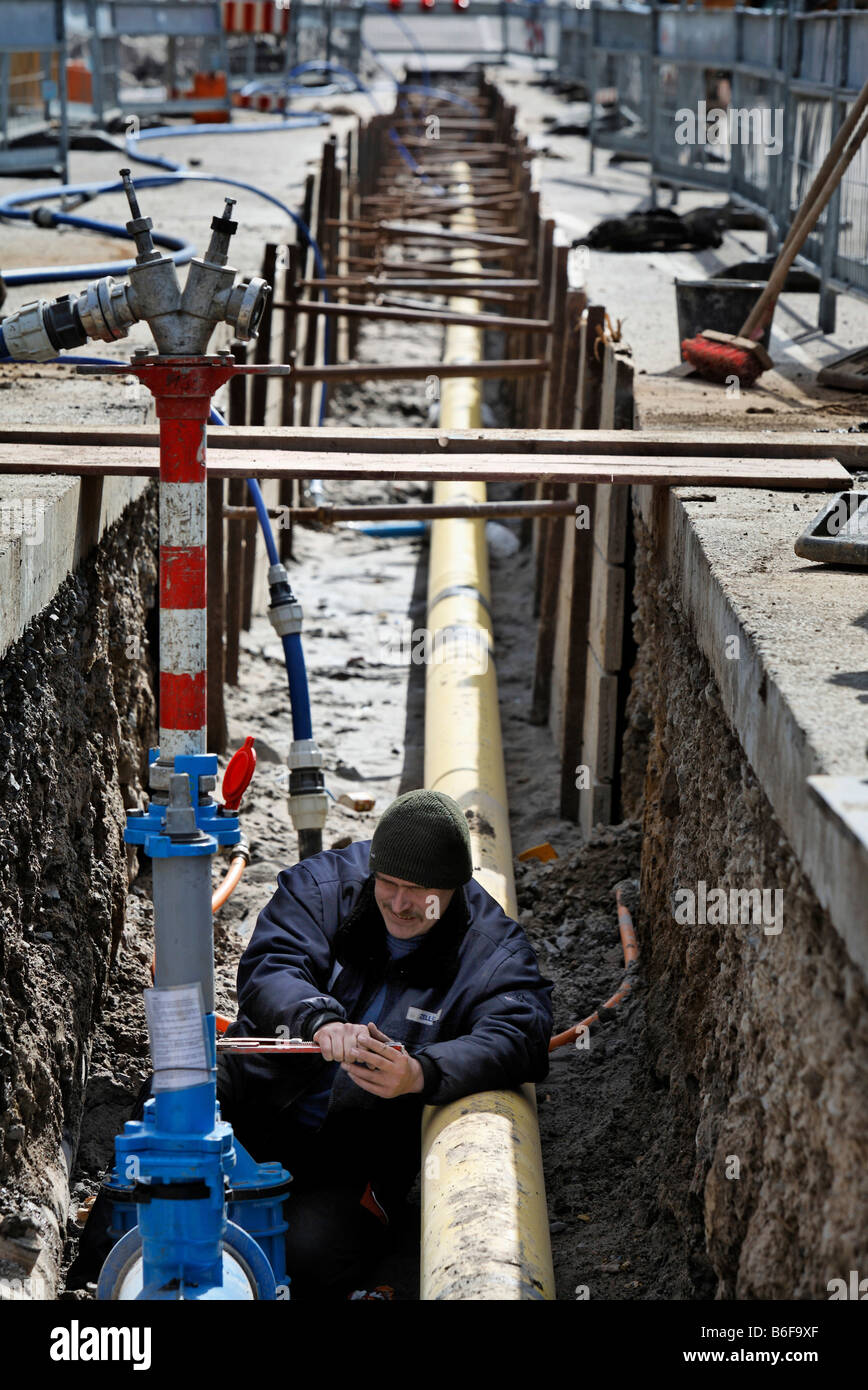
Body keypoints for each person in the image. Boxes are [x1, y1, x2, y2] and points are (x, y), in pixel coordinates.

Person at [218, 788, 554, 1299]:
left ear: (454, 887)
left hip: (357, 1150)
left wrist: (422, 1074)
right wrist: (319, 1021)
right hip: (259, 1092)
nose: (400, 904)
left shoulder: (489, 950)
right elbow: (271, 966)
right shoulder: (323, 887)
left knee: (310, 1253)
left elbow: (520, 1034)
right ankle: (95, 1278)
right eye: (389, 883)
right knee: (170, 1107)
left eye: (419, 891)